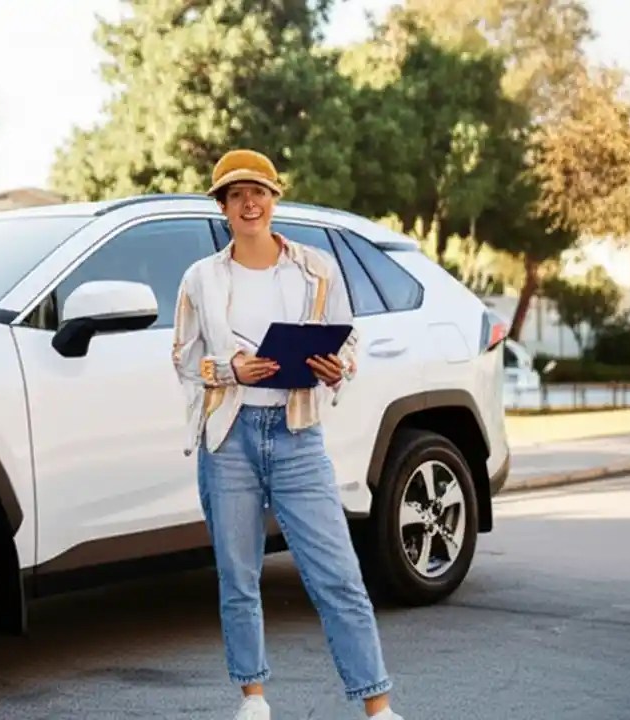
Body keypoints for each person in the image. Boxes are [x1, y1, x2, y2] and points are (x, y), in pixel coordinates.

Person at [171, 149, 403, 720]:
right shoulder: (201, 278)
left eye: (259, 192)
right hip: (229, 439)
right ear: (222, 207)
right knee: (239, 576)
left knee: (338, 575)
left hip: (297, 435)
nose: (249, 203)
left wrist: (337, 368)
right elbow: (183, 357)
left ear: (275, 199)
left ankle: (378, 707)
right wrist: (231, 369)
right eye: (236, 195)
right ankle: (252, 698)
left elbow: (347, 339)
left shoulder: (316, 268)